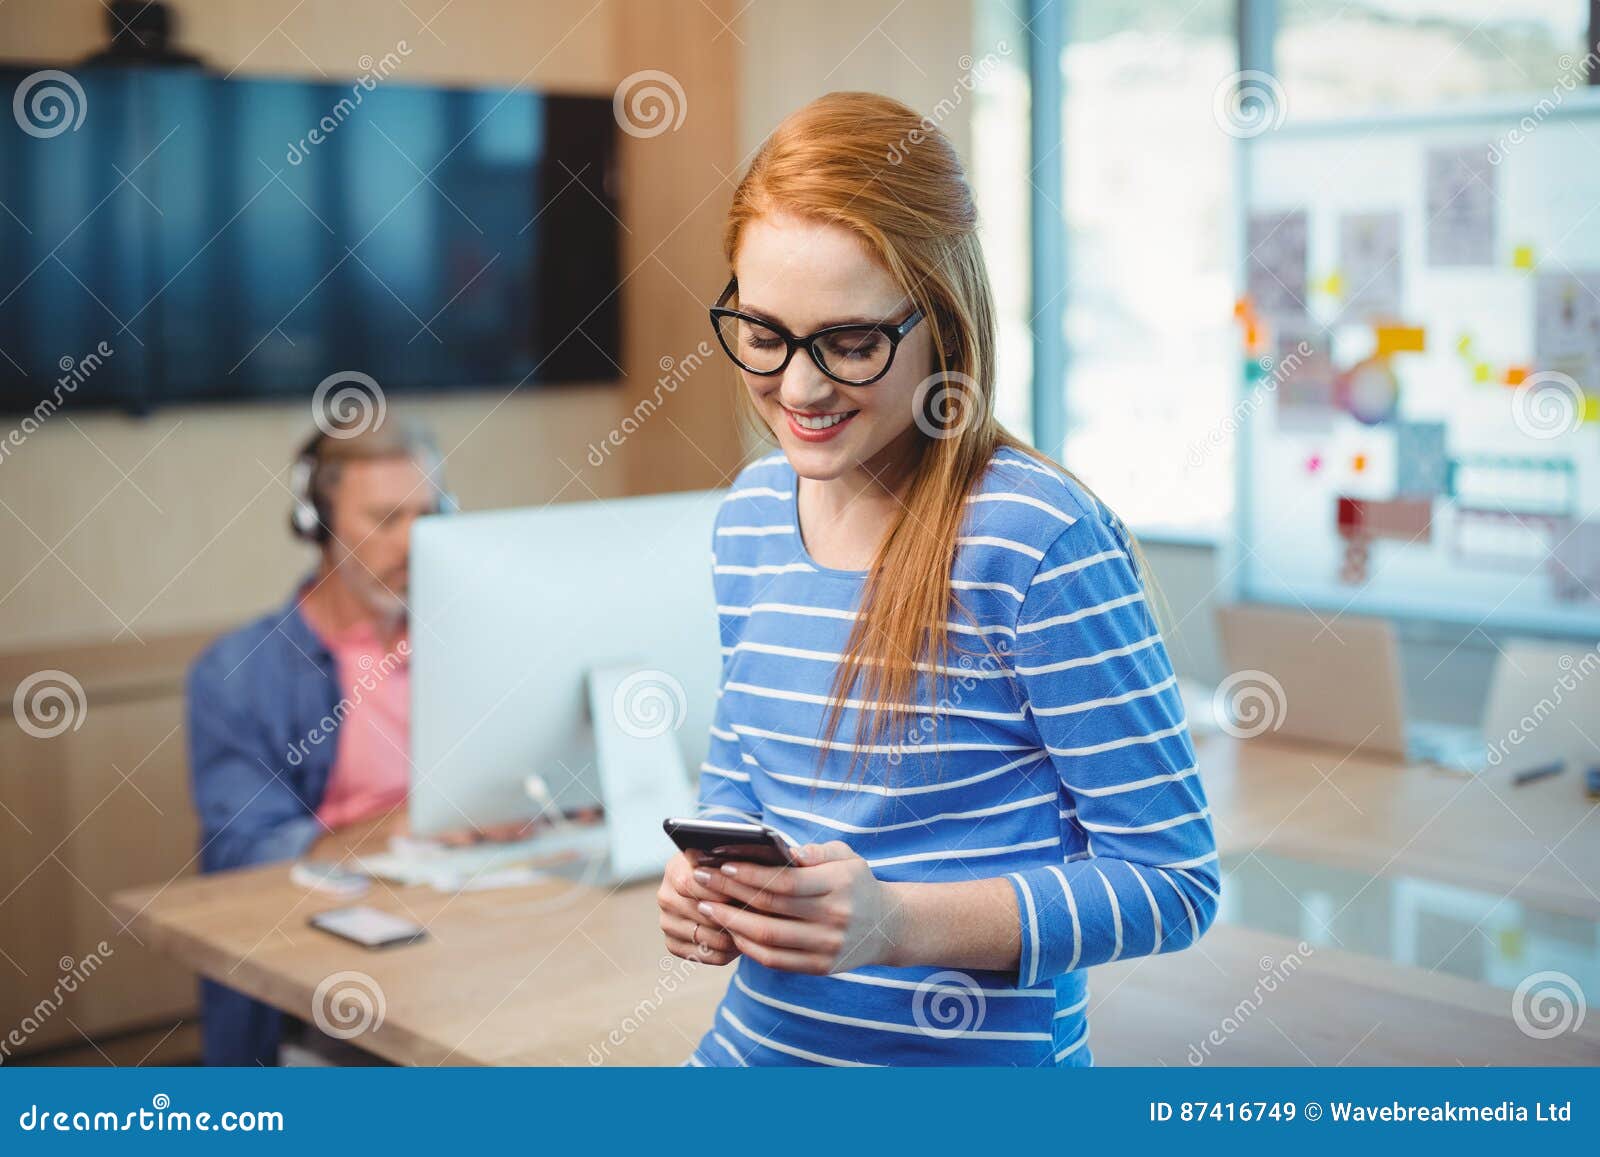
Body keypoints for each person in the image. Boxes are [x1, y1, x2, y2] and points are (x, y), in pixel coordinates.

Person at [658, 92, 1219, 1066]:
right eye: (761, 332)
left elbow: (1170, 881)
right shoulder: (749, 516)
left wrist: (895, 925)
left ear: (941, 327)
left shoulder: (1033, 540)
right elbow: (741, 794)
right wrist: (706, 885)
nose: (797, 388)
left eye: (849, 342)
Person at [186, 413, 521, 1065]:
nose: (413, 542)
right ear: (319, 526)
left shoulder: (472, 641)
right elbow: (247, 857)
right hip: (340, 960)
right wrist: (413, 824)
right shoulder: (238, 674)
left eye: (427, 515)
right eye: (385, 518)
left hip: (485, 928)